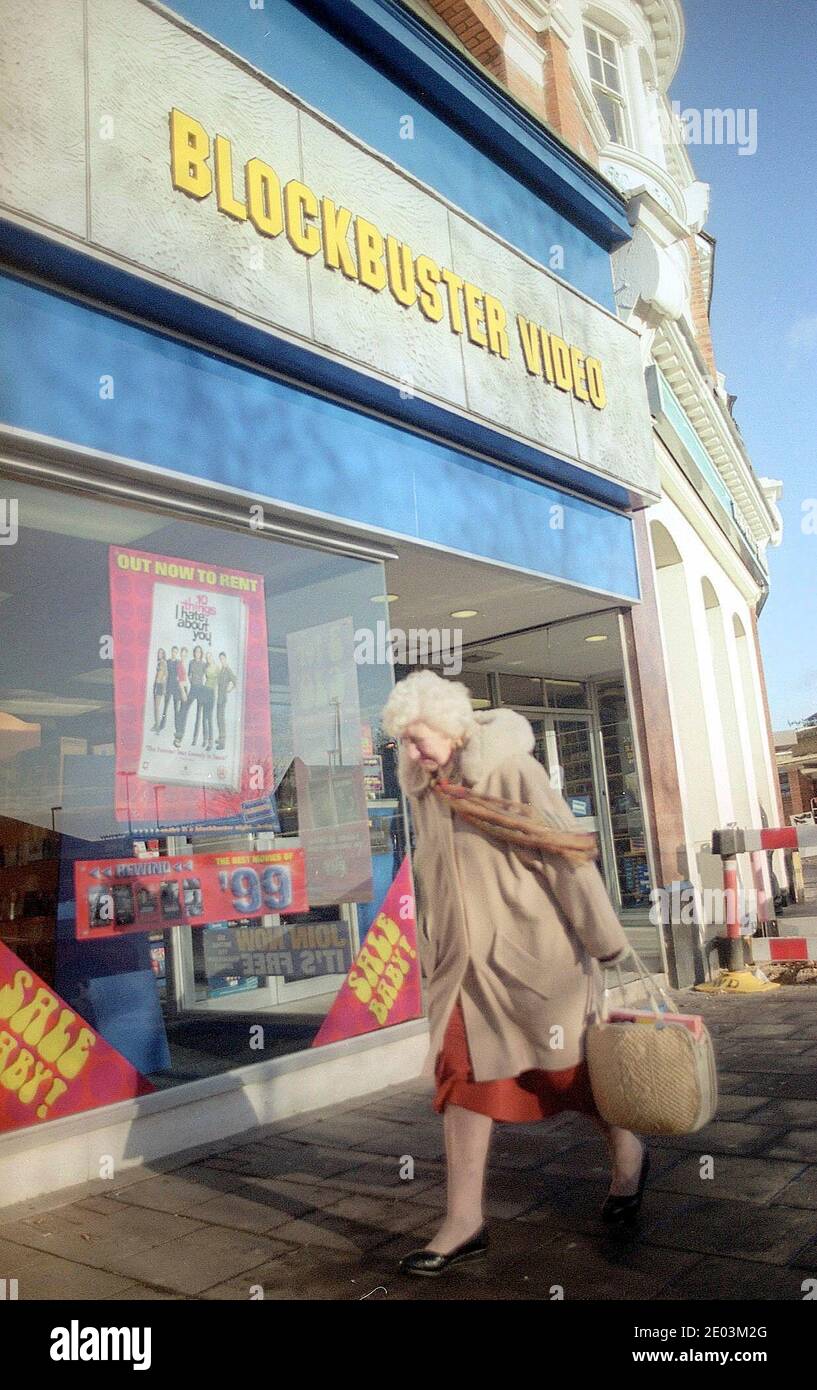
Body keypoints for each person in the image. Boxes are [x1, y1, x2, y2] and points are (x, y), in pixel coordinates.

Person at [381, 670, 650, 1278]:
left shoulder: (514, 773)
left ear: (452, 725)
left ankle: (629, 1158)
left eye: (420, 738)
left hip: (536, 960)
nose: (414, 754)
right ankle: (463, 1222)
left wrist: (605, 941)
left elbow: (567, 858)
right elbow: (431, 883)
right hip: (464, 975)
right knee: (461, 1082)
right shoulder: (427, 789)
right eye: (405, 743)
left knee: (575, 1077)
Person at [174, 645, 206, 747]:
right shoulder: (191, 662)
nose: (198, 653)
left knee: (198, 714)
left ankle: (194, 739)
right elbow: (188, 674)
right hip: (192, 689)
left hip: (200, 690)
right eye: (196, 652)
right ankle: (179, 736)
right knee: (184, 710)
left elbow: (207, 675)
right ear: (194, 653)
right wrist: (192, 682)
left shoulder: (204, 664)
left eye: (199, 652)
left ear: (201, 654)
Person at [215, 651, 237, 750]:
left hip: (223, 697)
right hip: (219, 697)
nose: (222, 660)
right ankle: (220, 737)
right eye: (220, 659)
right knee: (218, 718)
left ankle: (222, 742)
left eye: (223, 658)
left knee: (221, 719)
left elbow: (235, 681)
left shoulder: (227, 670)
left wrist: (230, 689)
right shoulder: (222, 669)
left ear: (226, 659)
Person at [158, 644, 182, 732]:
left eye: (176, 652)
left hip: (176, 688)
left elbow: (181, 675)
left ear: (177, 653)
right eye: (173, 651)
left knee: (176, 708)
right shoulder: (167, 662)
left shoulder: (178, 662)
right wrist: (164, 688)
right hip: (168, 686)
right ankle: (162, 724)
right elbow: (165, 675)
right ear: (171, 652)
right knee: (165, 707)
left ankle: (177, 726)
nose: (174, 653)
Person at [150, 648, 168, 732]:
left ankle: (157, 726)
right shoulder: (160, 663)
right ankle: (156, 724)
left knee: (156, 707)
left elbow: (163, 676)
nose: (159, 654)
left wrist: (161, 686)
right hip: (157, 685)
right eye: (159, 653)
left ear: (163, 654)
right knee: (156, 707)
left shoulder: (163, 663)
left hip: (159, 685)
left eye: (161, 653)